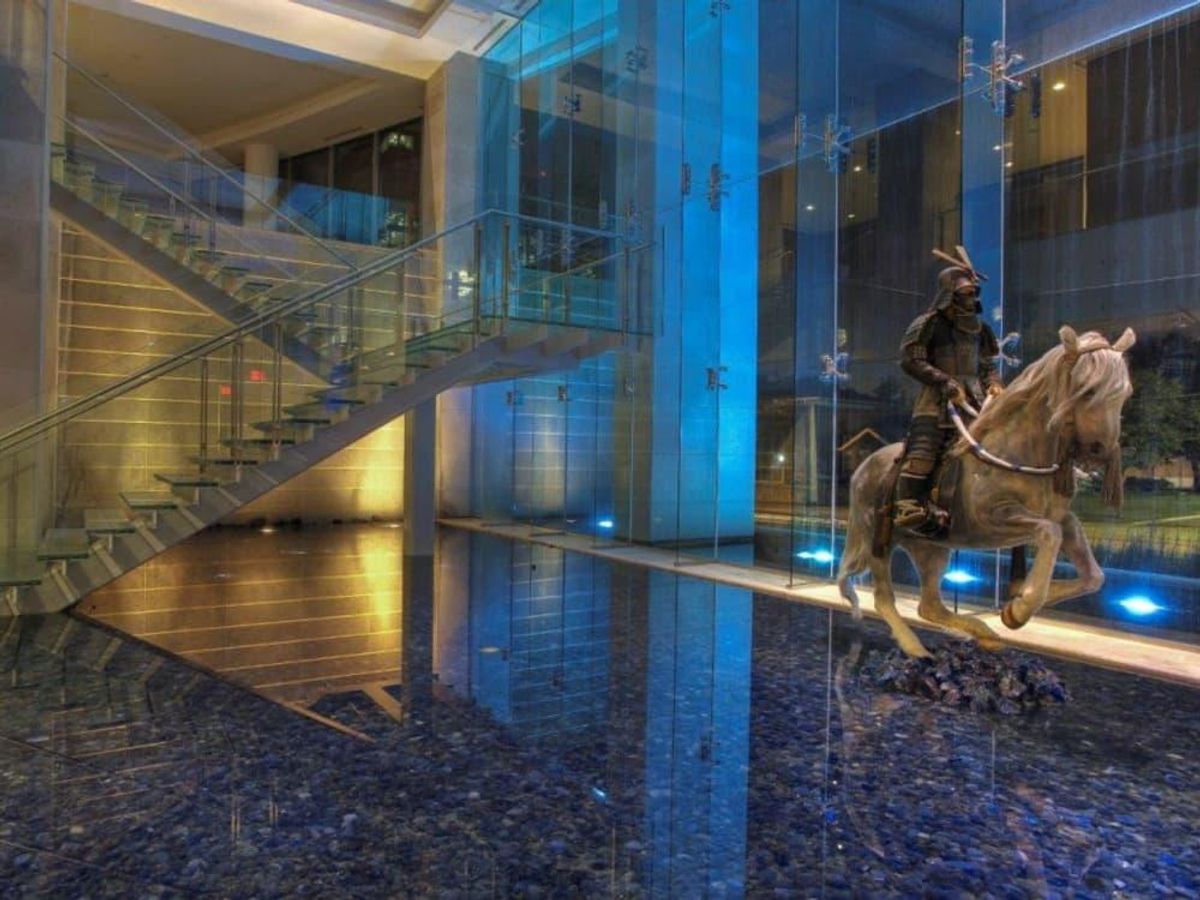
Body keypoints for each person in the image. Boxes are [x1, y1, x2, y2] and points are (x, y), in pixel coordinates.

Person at [893, 247, 1003, 534]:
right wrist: (945, 382)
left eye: (974, 293)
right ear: (950, 294)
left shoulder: (982, 330)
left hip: (978, 401)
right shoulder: (929, 324)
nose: (973, 299)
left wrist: (994, 383)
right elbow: (911, 359)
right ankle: (910, 506)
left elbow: (986, 364)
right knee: (924, 452)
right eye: (966, 293)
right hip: (936, 400)